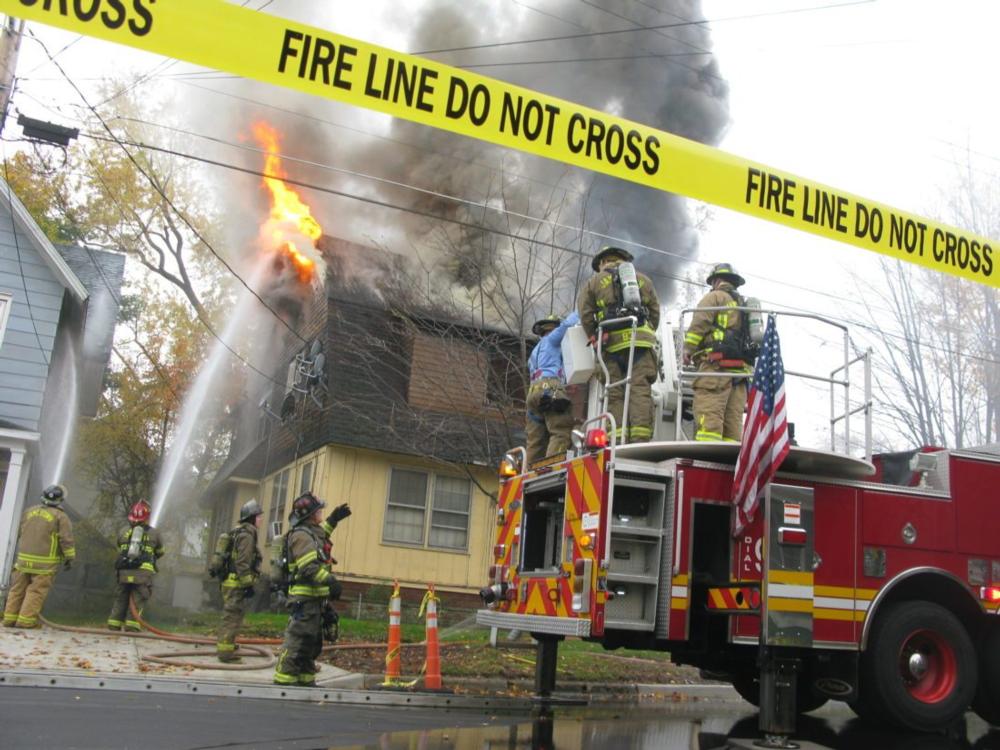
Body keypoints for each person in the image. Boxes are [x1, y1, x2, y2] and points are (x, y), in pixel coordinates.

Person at [578, 246, 661, 444]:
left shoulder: (594, 282)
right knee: (639, 390)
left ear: (601, 263)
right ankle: (640, 438)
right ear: (623, 260)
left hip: (612, 346)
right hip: (639, 342)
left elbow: (585, 314)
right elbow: (655, 312)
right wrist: (646, 333)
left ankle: (617, 439)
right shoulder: (643, 280)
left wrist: (593, 336)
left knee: (614, 393)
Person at [273, 492, 350, 687]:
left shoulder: (310, 531)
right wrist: (330, 581)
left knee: (311, 642)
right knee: (298, 639)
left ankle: (305, 679)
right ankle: (284, 678)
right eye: (319, 510)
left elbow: (321, 534)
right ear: (310, 515)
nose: (321, 513)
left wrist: (333, 520)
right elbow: (308, 568)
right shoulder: (301, 535)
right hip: (304, 599)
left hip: (315, 599)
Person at [683, 263, 753, 442]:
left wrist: (688, 350)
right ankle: (729, 462)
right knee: (732, 424)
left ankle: (708, 458)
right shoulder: (744, 305)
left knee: (709, 416)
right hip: (740, 374)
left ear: (717, 280)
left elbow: (699, 324)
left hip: (716, 369)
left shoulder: (714, 297)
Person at [2, 485, 75, 629]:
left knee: (16, 590)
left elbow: (18, 532)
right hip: (44, 565)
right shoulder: (61, 516)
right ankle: (25, 622)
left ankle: (9, 620)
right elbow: (66, 539)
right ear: (60, 500)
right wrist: (70, 558)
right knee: (35, 592)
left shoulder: (29, 511)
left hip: (22, 561)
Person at [525, 310, 580, 464]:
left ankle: (529, 473)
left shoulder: (534, 353)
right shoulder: (553, 339)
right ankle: (550, 468)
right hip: (549, 386)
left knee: (535, 441)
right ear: (553, 328)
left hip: (533, 393)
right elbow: (568, 324)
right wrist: (581, 310)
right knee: (561, 432)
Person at [214, 498, 264, 663]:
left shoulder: (236, 532)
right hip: (237, 583)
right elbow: (242, 562)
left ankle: (228, 645)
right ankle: (225, 653)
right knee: (232, 617)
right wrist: (248, 584)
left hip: (229, 582)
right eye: (259, 516)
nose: (261, 519)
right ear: (252, 517)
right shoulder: (247, 535)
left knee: (233, 615)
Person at [107, 500, 164, 632]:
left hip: (123, 572)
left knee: (121, 598)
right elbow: (161, 552)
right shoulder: (154, 533)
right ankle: (132, 627)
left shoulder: (123, 531)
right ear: (147, 517)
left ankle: (114, 624)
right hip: (142, 574)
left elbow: (119, 548)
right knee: (138, 599)